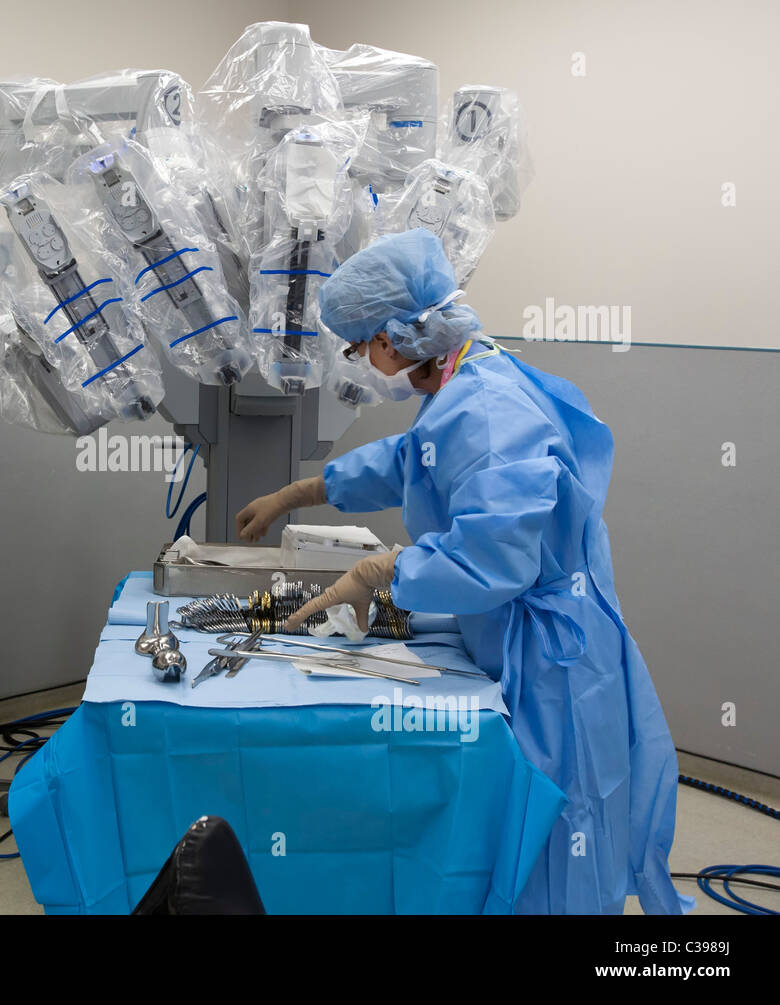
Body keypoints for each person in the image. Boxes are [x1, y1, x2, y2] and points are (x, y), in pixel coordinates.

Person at [236, 228, 687, 915]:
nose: (364, 361)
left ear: (390, 339)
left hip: (554, 661)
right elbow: (410, 459)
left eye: (360, 347)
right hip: (515, 635)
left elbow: (494, 556)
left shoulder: (488, 407)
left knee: (559, 829)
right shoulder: (463, 379)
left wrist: (381, 568)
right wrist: (301, 492)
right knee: (515, 829)